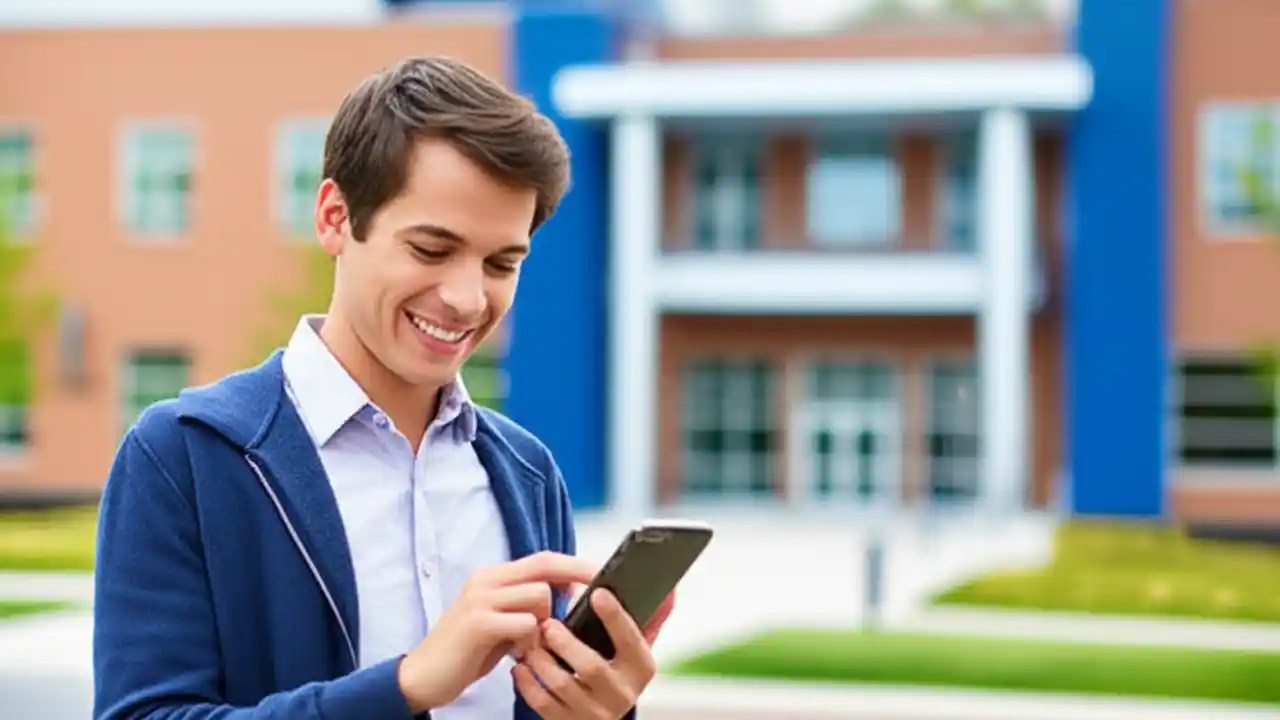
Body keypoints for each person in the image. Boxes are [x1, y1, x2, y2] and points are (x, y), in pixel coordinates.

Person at [92, 56, 672, 720]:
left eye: (501, 263)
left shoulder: (527, 471)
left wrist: (596, 708)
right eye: (430, 250)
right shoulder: (184, 456)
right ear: (336, 217)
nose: (465, 298)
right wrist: (406, 684)